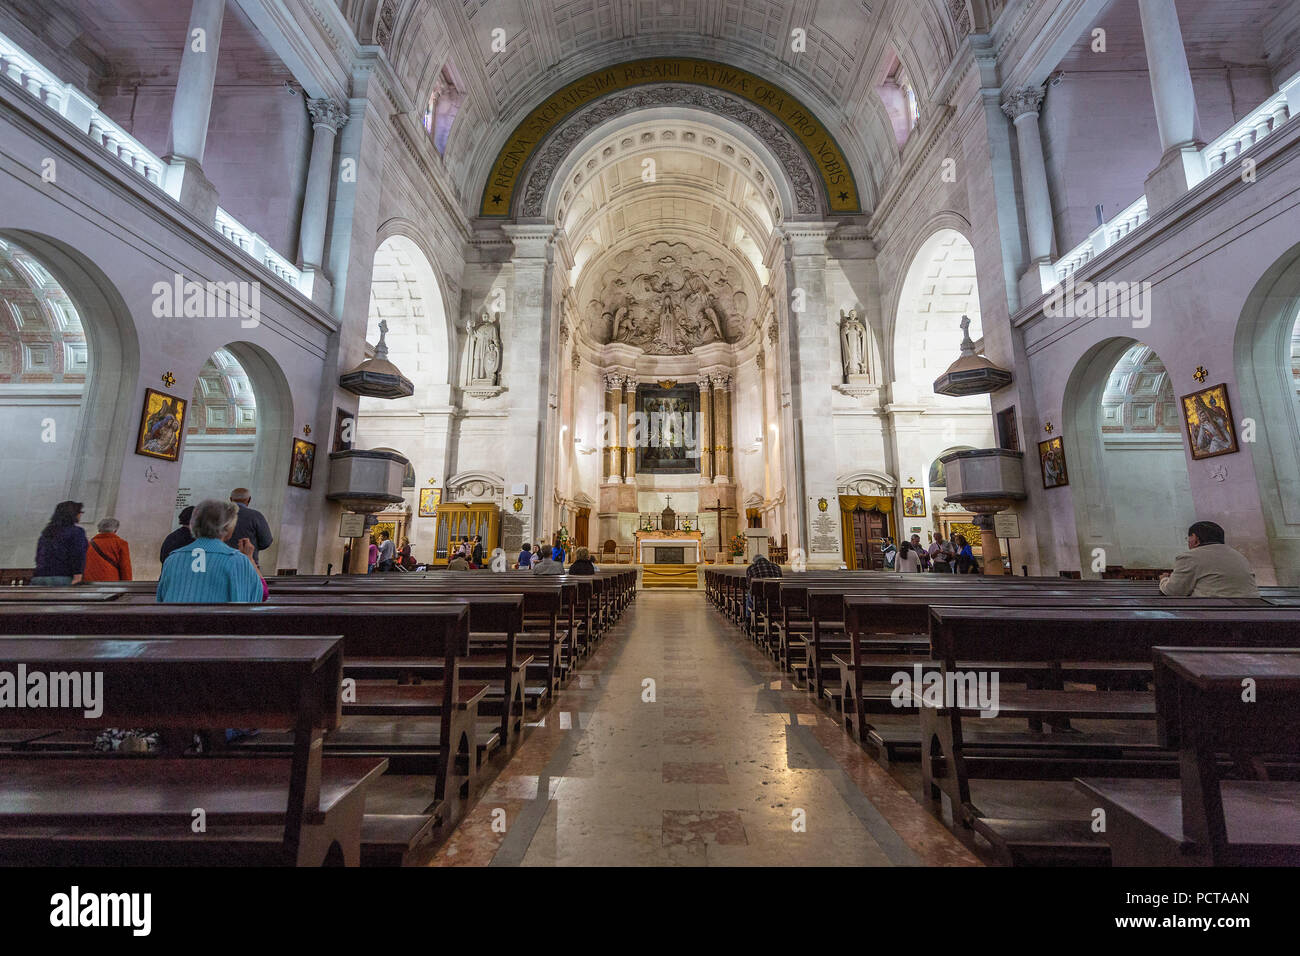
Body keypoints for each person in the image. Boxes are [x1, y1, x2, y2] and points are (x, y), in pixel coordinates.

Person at [156, 499, 265, 603]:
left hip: (176, 621)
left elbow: (162, 599)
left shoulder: (172, 559)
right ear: (227, 528)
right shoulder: (237, 560)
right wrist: (250, 559)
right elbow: (257, 597)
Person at [1160, 521, 1259, 598]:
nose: (1188, 542)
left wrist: (1164, 579)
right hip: (1253, 613)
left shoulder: (1190, 557)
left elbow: (1173, 591)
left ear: (1195, 538)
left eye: (1188, 538)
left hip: (1214, 615)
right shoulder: (1238, 555)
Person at [32, 501, 87, 586]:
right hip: (62, 576)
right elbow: (77, 554)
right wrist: (78, 575)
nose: (80, 515)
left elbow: (39, 554)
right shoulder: (76, 532)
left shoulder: (47, 531)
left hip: (39, 576)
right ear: (74, 514)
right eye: (80, 512)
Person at [229, 488, 273, 565]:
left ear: (230, 499)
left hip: (223, 561)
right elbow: (266, 541)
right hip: (248, 562)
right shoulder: (256, 516)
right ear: (249, 500)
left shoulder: (220, 514)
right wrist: (252, 547)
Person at [84, 517, 133, 582]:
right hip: (110, 581)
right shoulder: (121, 544)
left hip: (89, 582)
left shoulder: (88, 544)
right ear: (115, 530)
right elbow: (125, 567)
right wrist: (127, 585)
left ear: (99, 530)